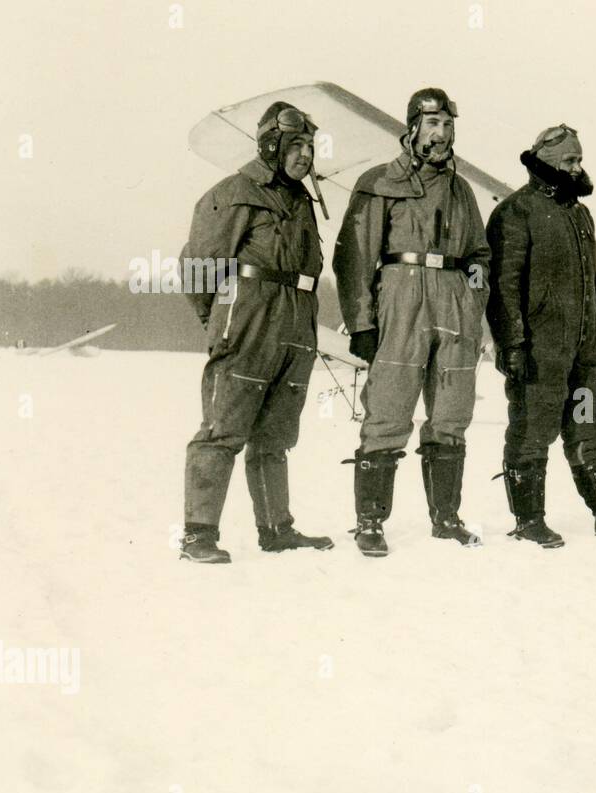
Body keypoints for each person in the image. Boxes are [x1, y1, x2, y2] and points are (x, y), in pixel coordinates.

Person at [486, 124, 596, 547]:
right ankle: (528, 522)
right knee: (532, 430)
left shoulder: (580, 215)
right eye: (569, 160)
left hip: (584, 353)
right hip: (539, 351)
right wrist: (511, 344)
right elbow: (503, 286)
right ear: (546, 161)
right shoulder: (516, 212)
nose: (577, 166)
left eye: (579, 159)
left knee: (592, 429)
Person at [334, 88, 490, 557]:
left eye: (447, 125)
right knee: (387, 411)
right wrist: (362, 323)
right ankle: (369, 522)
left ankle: (446, 518)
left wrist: (472, 298)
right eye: (432, 124)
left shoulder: (462, 190)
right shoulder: (379, 182)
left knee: (451, 414)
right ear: (413, 128)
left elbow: (480, 252)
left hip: (453, 305)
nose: (440, 134)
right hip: (400, 302)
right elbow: (353, 256)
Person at [179, 102, 333, 564]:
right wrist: (225, 320)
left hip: (296, 321)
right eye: (296, 145)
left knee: (276, 434)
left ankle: (276, 529)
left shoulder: (301, 200)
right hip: (249, 320)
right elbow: (199, 267)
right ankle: (198, 535)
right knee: (224, 427)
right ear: (271, 145)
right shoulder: (233, 192)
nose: (305, 156)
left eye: (309, 146)